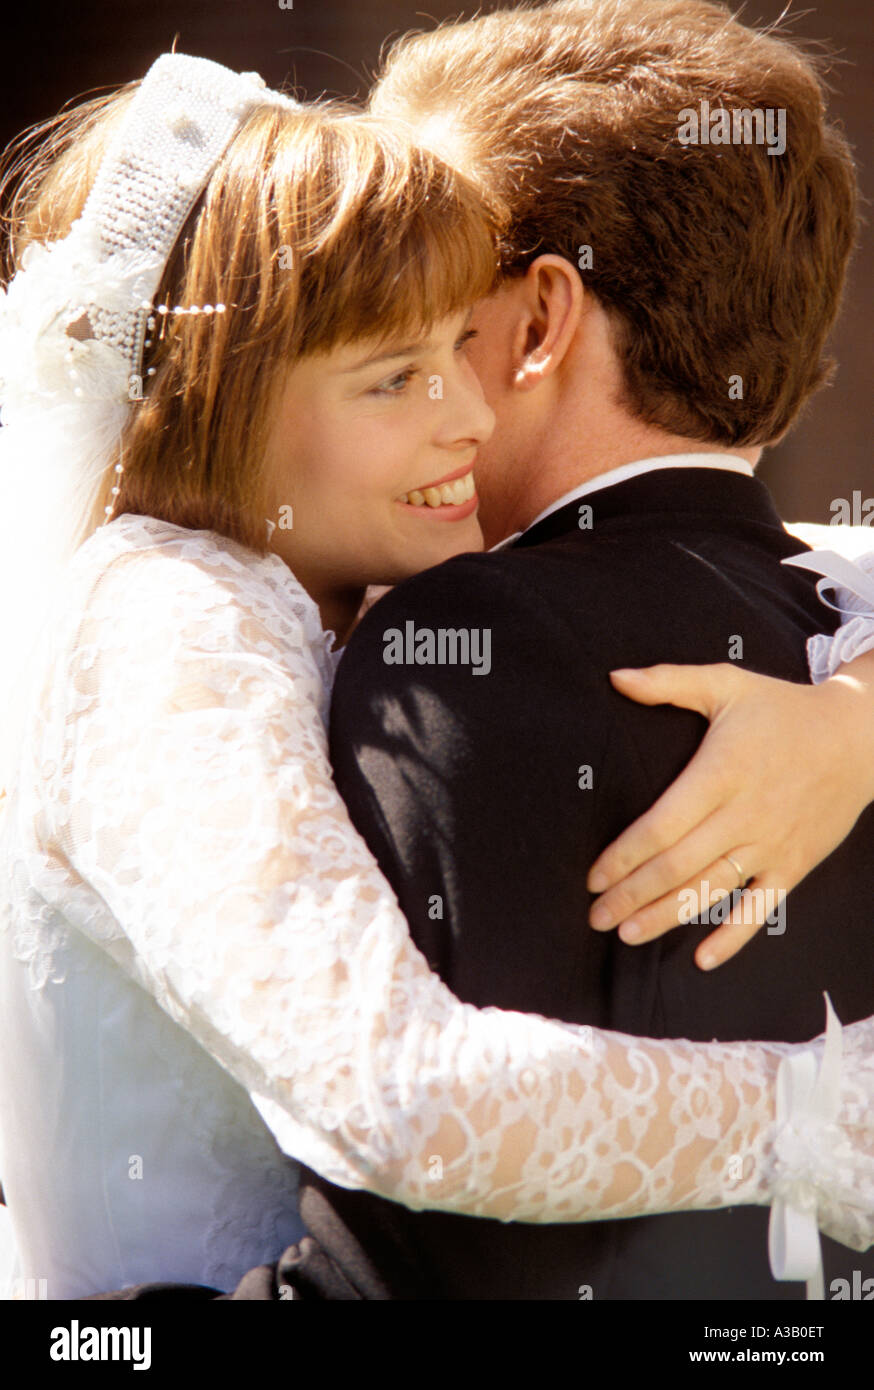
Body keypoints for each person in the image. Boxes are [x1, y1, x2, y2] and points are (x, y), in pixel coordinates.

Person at [0, 52, 871, 1304]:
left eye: (458, 348)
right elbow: (389, 1091)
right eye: (398, 372)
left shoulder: (338, 588)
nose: (467, 409)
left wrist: (852, 717)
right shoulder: (169, 612)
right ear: (226, 400)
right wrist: (816, 1113)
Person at [256, 0, 874, 1299]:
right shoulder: (846, 624)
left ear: (538, 319)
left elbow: (426, 1258)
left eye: (418, 272)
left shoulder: (465, 642)